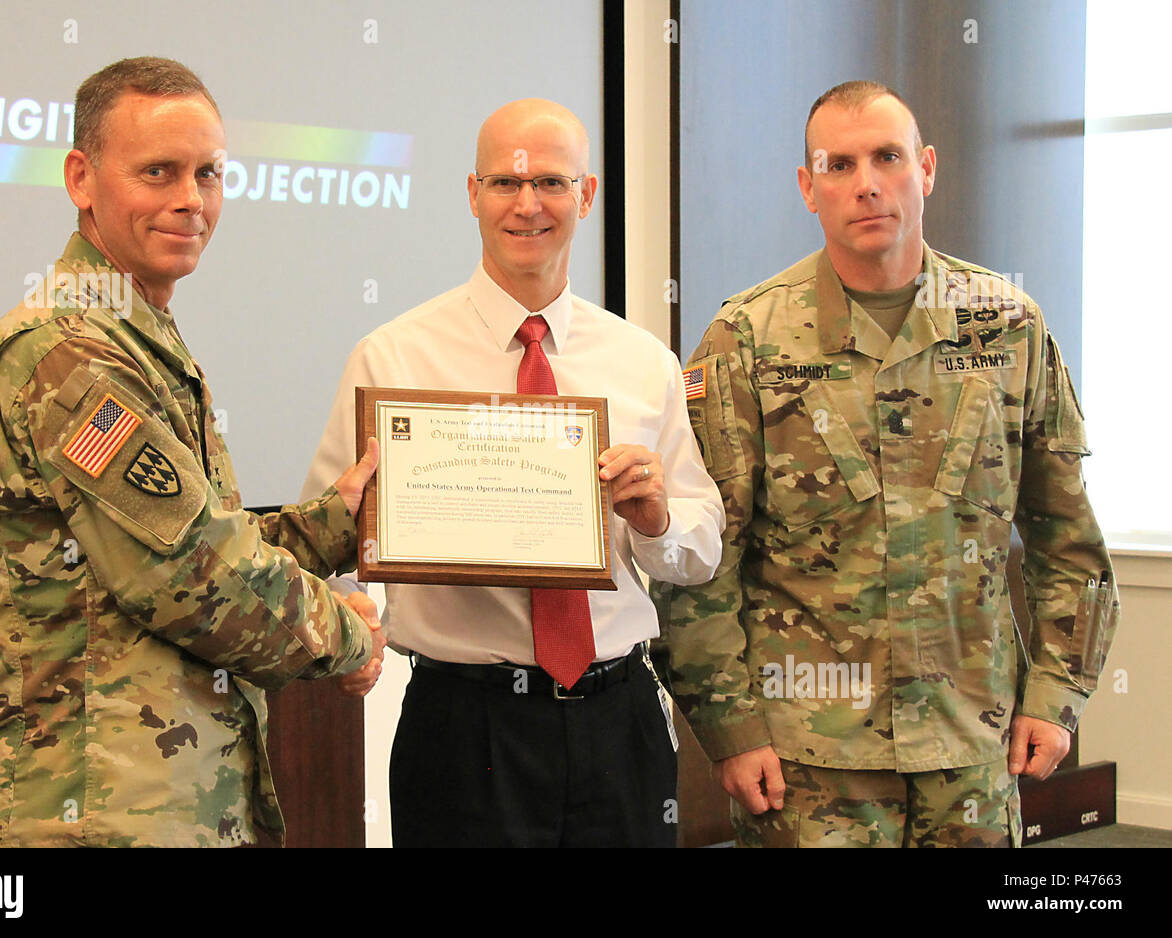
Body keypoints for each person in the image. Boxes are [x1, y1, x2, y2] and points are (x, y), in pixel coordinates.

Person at [656, 80, 1119, 847]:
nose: (866, 183)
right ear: (809, 187)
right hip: (810, 761)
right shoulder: (747, 340)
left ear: (926, 168)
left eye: (887, 157)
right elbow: (702, 562)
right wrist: (729, 727)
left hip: (973, 746)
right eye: (838, 164)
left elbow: (1067, 536)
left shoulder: (1007, 329)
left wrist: (1055, 692)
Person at [0, 57, 381, 847]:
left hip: (163, 799)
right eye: (159, 171)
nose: (191, 199)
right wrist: (343, 634)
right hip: (93, 811)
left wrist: (338, 524)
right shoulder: (66, 352)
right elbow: (190, 575)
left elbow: (196, 535)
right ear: (82, 178)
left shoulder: (133, 331)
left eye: (208, 173)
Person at [302, 99, 725, 847]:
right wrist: (352, 626)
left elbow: (701, 548)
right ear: (473, 194)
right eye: (504, 183)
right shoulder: (393, 359)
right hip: (464, 731)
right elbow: (327, 540)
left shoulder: (643, 361)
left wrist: (657, 520)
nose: (527, 204)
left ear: (587, 195)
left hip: (617, 718)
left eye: (552, 184)